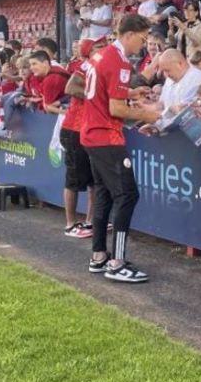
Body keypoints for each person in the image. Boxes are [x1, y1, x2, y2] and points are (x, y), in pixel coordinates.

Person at [82, 14, 161, 283]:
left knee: (104, 194)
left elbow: (103, 91)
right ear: (129, 35)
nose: (143, 44)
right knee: (127, 195)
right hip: (106, 136)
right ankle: (117, 263)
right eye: (142, 38)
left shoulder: (101, 56)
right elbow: (115, 109)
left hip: (92, 133)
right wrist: (149, 116)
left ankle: (99, 256)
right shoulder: (120, 61)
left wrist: (131, 94)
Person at [61, 36, 107, 239]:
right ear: (89, 50)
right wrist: (93, 95)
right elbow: (70, 88)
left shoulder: (101, 66)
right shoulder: (85, 66)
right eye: (99, 46)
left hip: (90, 129)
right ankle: (70, 224)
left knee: (94, 181)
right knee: (73, 179)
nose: (104, 48)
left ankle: (91, 222)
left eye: (105, 45)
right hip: (74, 129)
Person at [27, 50, 71, 115]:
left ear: (45, 63)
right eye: (30, 65)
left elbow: (47, 108)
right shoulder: (54, 68)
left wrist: (66, 113)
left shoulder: (51, 80)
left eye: (34, 64)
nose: (31, 68)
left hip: (72, 110)